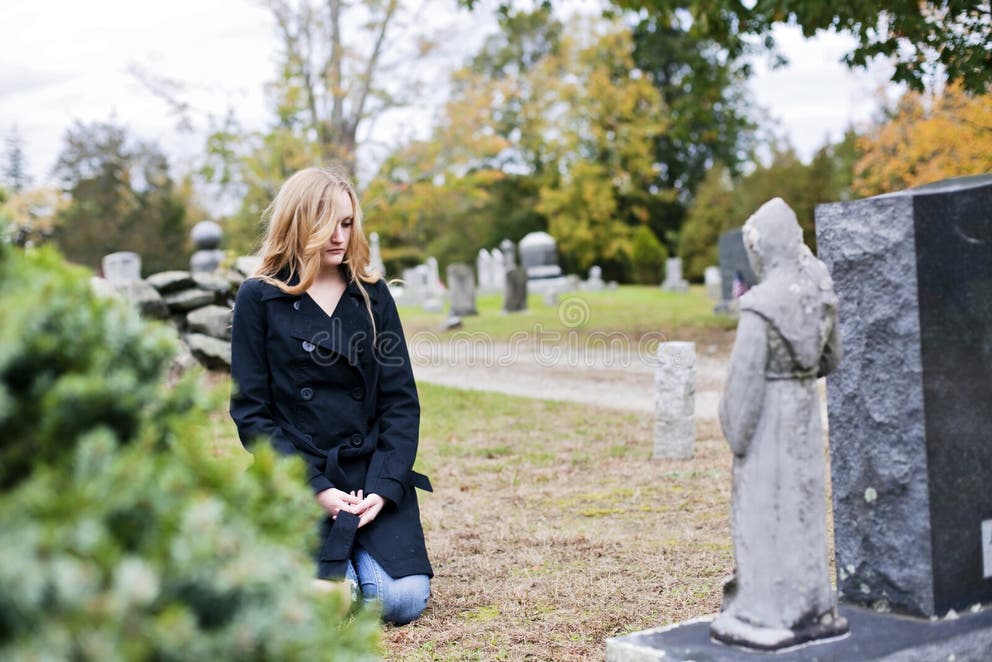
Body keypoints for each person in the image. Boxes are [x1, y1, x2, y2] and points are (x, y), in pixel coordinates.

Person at [229, 165, 432, 626]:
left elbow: (400, 403)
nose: (340, 236)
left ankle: (347, 572)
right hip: (302, 477)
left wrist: (385, 489)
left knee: (404, 599)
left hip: (370, 474)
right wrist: (318, 491)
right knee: (323, 601)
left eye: (347, 222)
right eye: (327, 223)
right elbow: (252, 415)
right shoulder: (258, 298)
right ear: (297, 222)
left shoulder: (372, 295)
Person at [710, 198, 846, 649]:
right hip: (805, 413)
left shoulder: (760, 307)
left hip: (769, 421)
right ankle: (812, 607)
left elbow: (742, 395)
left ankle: (765, 611)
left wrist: (733, 428)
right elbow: (831, 359)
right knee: (804, 511)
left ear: (762, 248)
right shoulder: (819, 296)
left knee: (764, 513)